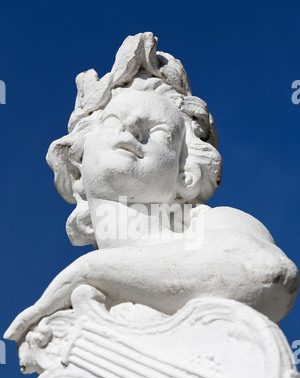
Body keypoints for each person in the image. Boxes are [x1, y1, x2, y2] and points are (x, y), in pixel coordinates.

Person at [5, 34, 298, 344]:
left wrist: (91, 269)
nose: (131, 128)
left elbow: (266, 275)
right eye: (115, 118)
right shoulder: (74, 322)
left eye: (157, 130)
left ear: (184, 172)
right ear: (78, 162)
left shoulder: (216, 226)